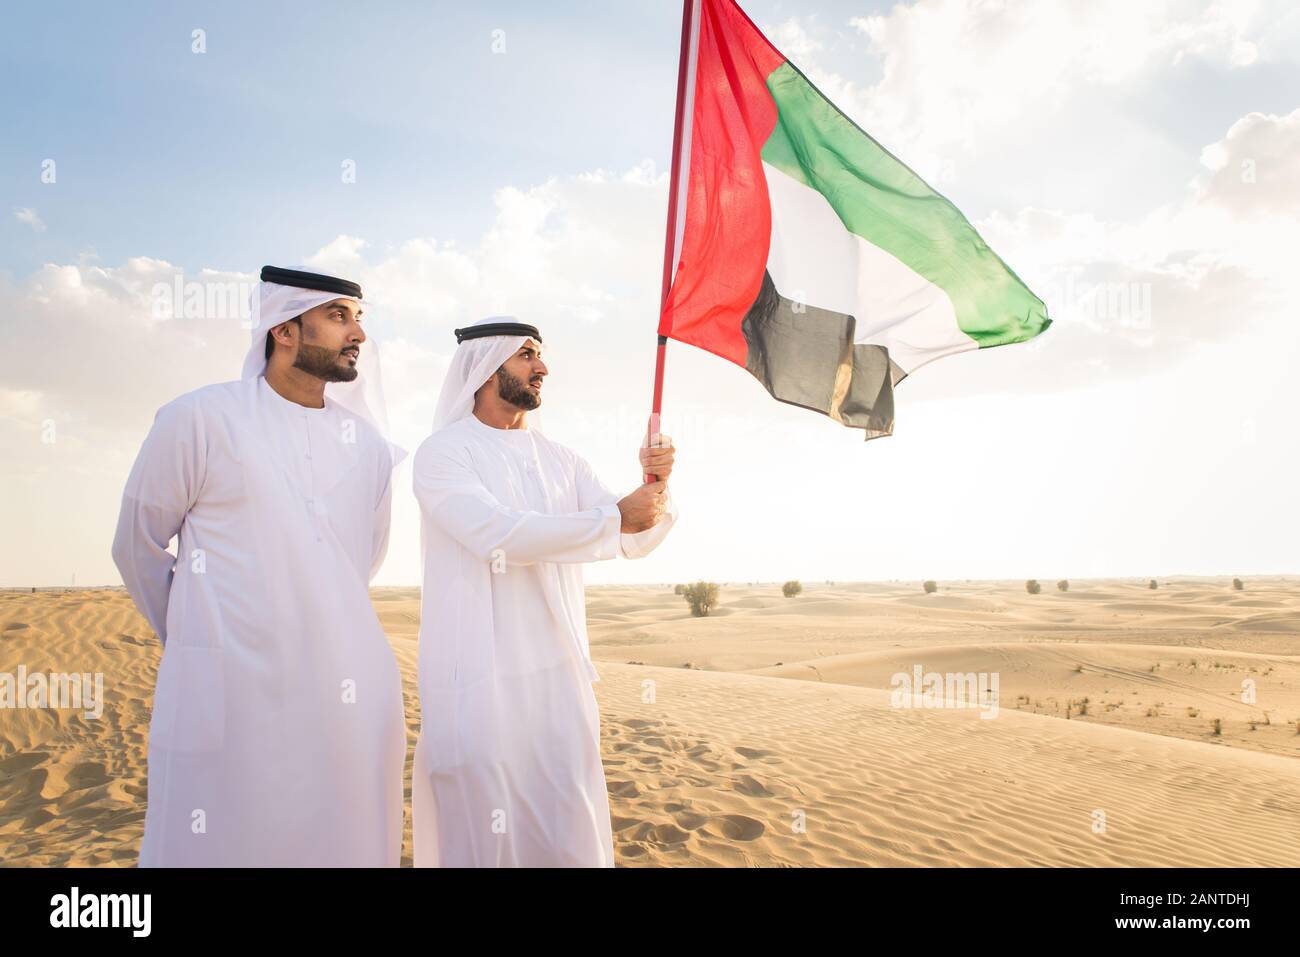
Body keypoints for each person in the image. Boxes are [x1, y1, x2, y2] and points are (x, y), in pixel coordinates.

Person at [111, 265, 406, 866]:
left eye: (359, 318)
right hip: (230, 691)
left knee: (340, 838)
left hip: (344, 693)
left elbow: (357, 566)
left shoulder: (371, 448)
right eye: (338, 316)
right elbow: (136, 545)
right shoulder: (199, 418)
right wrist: (200, 638)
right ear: (284, 329)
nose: (358, 334)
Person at [411, 316, 678, 867]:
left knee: (568, 828)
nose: (542, 368)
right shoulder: (443, 454)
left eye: (539, 355)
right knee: (484, 831)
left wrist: (656, 482)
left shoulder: (562, 458)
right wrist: (612, 518)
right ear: (485, 367)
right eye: (527, 355)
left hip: (558, 681)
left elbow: (634, 536)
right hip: (479, 680)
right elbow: (496, 533)